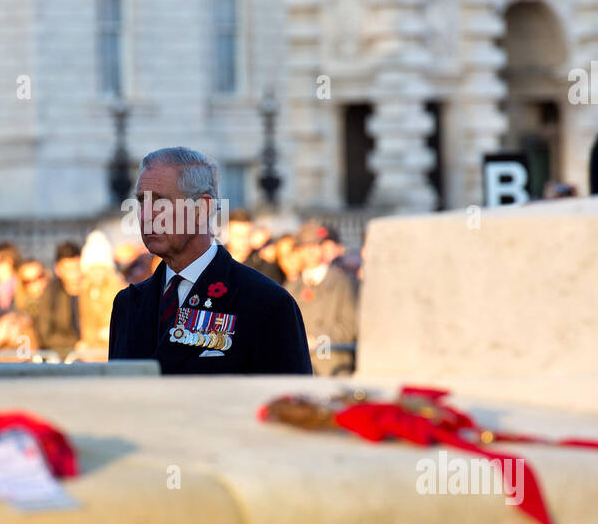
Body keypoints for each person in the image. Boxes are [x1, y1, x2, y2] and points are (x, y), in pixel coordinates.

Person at [108, 146, 312, 375]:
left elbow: (287, 405)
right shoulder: (128, 304)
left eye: (160, 202)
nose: (146, 215)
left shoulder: (267, 303)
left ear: (202, 208)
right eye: (141, 201)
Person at [290, 222, 358, 376]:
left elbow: (349, 327)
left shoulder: (343, 283)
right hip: (303, 368)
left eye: (314, 246)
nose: (310, 252)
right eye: (304, 248)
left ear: (323, 249)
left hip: (333, 366)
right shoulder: (291, 287)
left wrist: (317, 339)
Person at [35, 240, 83, 355]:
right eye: (68, 269)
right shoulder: (50, 293)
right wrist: (75, 344)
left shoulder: (92, 289)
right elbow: (45, 334)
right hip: (62, 356)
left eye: (77, 268)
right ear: (58, 270)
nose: (74, 274)